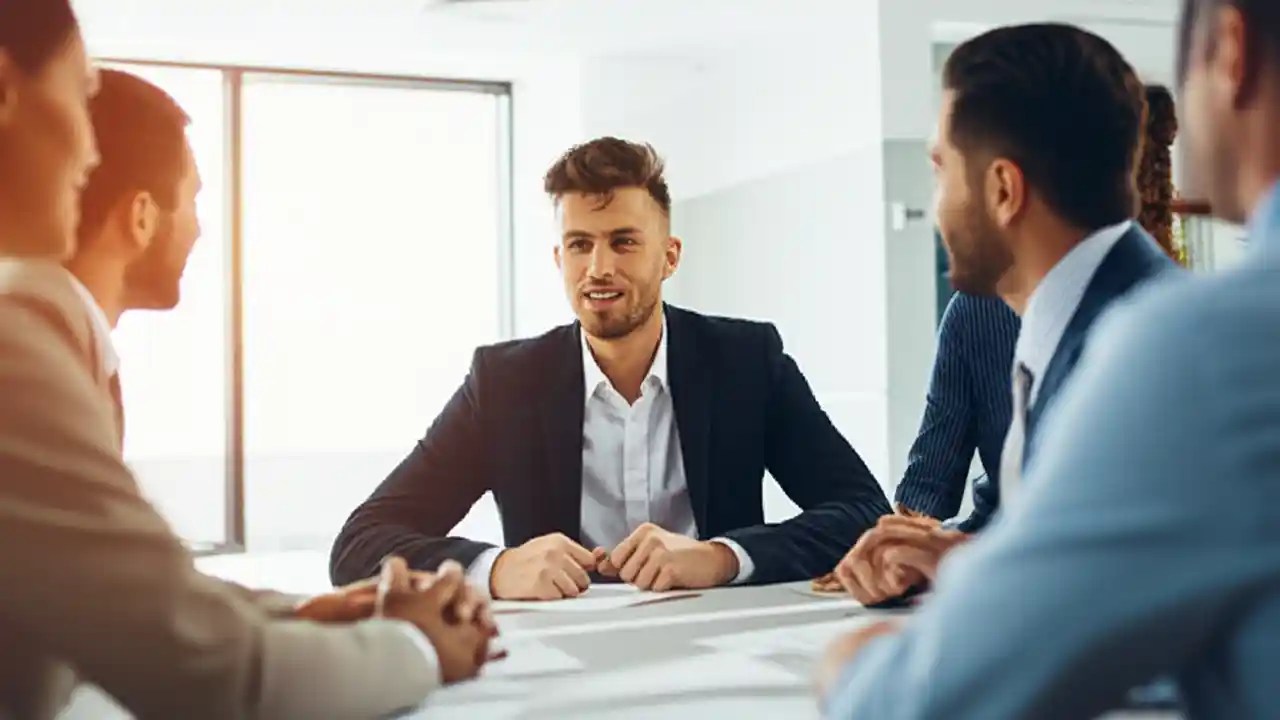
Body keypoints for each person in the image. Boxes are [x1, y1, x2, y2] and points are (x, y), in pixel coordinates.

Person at [0, 51, 493, 720]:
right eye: (195, 199)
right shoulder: (23, 345)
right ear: (141, 217)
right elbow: (216, 677)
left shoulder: (68, 343)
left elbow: (129, 592)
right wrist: (419, 647)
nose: (201, 227)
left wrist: (306, 612)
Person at [818, 5, 1280, 717]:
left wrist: (851, 667)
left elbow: (928, 701)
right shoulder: (1078, 328)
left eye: (941, 171)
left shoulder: (1185, 349)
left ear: (1230, 48)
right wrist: (987, 565)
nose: (935, 205)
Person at [330, 137, 892, 599]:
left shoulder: (748, 361)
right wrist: (499, 569)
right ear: (559, 259)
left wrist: (720, 557)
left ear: (669, 256)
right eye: (579, 245)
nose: (599, 268)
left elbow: (864, 513)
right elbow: (360, 543)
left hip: (719, 633)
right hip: (560, 654)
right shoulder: (504, 383)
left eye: (624, 243)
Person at [830, 23, 1177, 605]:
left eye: (941, 170)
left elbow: (1134, 591)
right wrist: (955, 554)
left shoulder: (1158, 343)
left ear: (1001, 191)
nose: (935, 204)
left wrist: (869, 673)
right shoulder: (1055, 324)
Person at [891, 292, 1018, 522]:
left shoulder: (1103, 315)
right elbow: (930, 482)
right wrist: (897, 545)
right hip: (993, 536)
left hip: (1085, 543)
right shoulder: (976, 306)